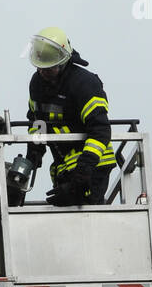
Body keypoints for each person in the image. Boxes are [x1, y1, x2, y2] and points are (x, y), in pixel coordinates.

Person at [24, 27, 116, 207]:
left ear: (63, 61)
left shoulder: (84, 83)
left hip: (93, 167)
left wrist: (82, 175)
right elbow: (37, 121)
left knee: (87, 220)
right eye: (40, 67)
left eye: (49, 69)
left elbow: (100, 130)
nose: (43, 73)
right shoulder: (37, 84)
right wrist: (35, 151)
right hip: (63, 167)